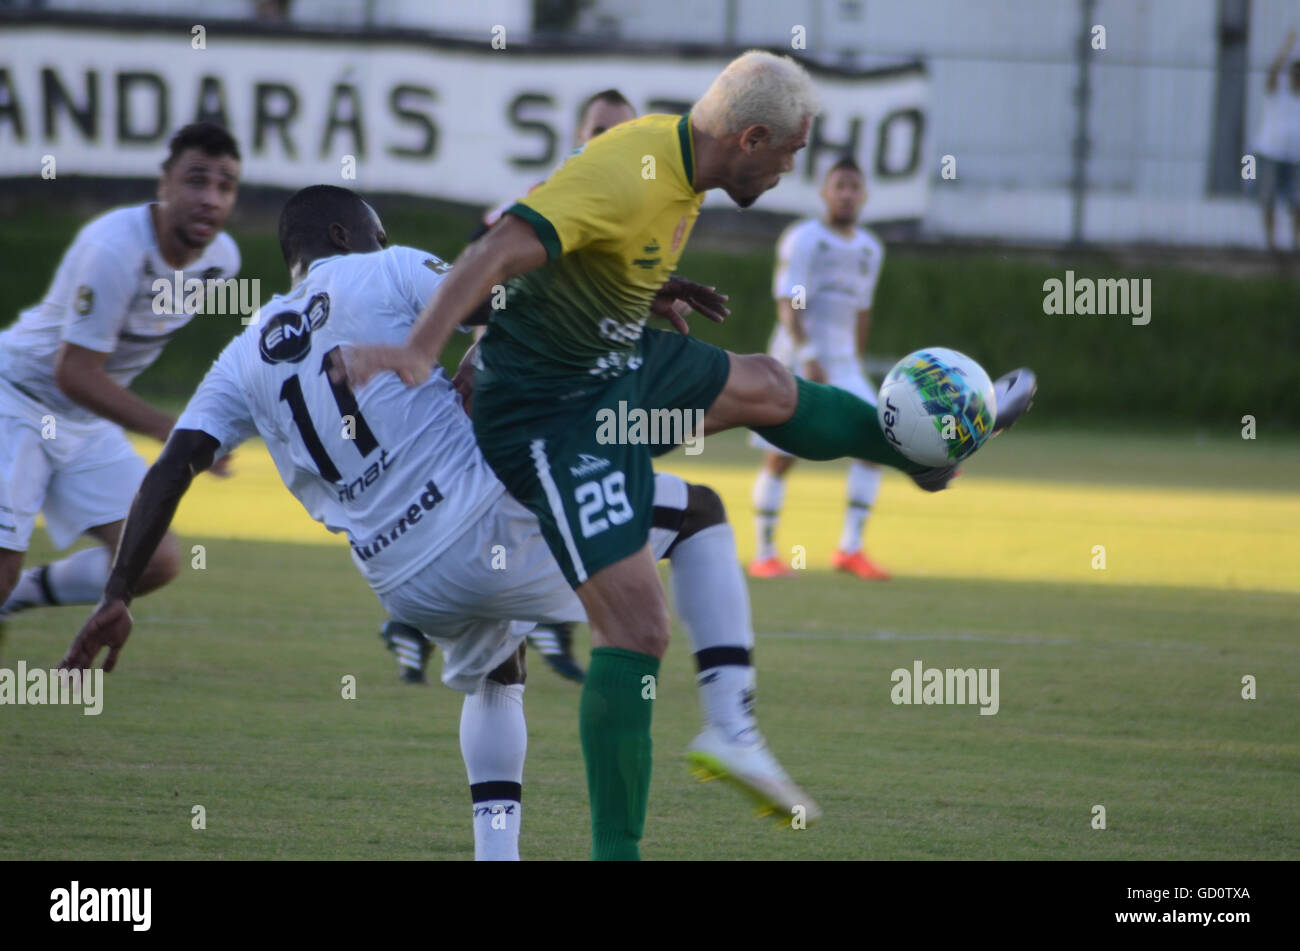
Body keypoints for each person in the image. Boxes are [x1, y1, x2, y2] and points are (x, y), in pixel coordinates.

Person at [333, 51, 1035, 860]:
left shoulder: (679, 166)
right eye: (791, 153)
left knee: (770, 383)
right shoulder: (633, 171)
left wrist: (645, 286)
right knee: (636, 627)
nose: (792, 169)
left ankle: (914, 455)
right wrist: (422, 351)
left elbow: (579, 244)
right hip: (551, 415)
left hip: (615, 364)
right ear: (752, 137)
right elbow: (501, 246)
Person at [60, 185, 819, 862]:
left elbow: (170, 467)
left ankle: (497, 853)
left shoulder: (239, 356)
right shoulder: (385, 270)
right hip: (485, 517)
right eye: (377, 232)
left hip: (404, 580)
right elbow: (503, 298)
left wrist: (118, 589)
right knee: (700, 512)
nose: (386, 244)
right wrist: (633, 288)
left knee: (498, 665)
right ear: (344, 235)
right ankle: (731, 721)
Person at [381, 88, 641, 685]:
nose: (606, 142)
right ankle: (421, 618)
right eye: (597, 129)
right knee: (514, 516)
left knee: (557, 513)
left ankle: (538, 631)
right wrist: (498, 337)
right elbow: (473, 291)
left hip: (577, 392)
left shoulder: (633, 218)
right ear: (578, 137)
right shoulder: (531, 207)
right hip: (512, 392)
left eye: (620, 133)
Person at [0, 122, 241, 625]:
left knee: (152, 561)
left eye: (225, 186)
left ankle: (20, 594)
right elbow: (74, 372)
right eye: (196, 181)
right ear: (164, 183)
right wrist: (169, 430)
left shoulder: (222, 261)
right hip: (17, 399)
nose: (210, 199)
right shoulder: (114, 249)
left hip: (84, 420)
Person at [749, 156, 891, 581]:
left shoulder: (870, 249)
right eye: (839, 186)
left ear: (864, 196)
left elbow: (862, 310)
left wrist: (856, 362)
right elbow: (789, 300)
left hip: (844, 365)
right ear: (825, 193)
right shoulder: (804, 238)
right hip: (798, 359)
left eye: (854, 187)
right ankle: (765, 553)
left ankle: (850, 548)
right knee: (781, 457)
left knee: (878, 444)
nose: (846, 194)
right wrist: (807, 352)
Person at [1256, 29, 1300, 252]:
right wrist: (1287, 46)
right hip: (1270, 153)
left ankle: (1295, 243)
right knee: (1268, 199)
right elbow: (1272, 71)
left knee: (1297, 201)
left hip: (1295, 158)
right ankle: (1271, 244)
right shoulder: (1278, 92)